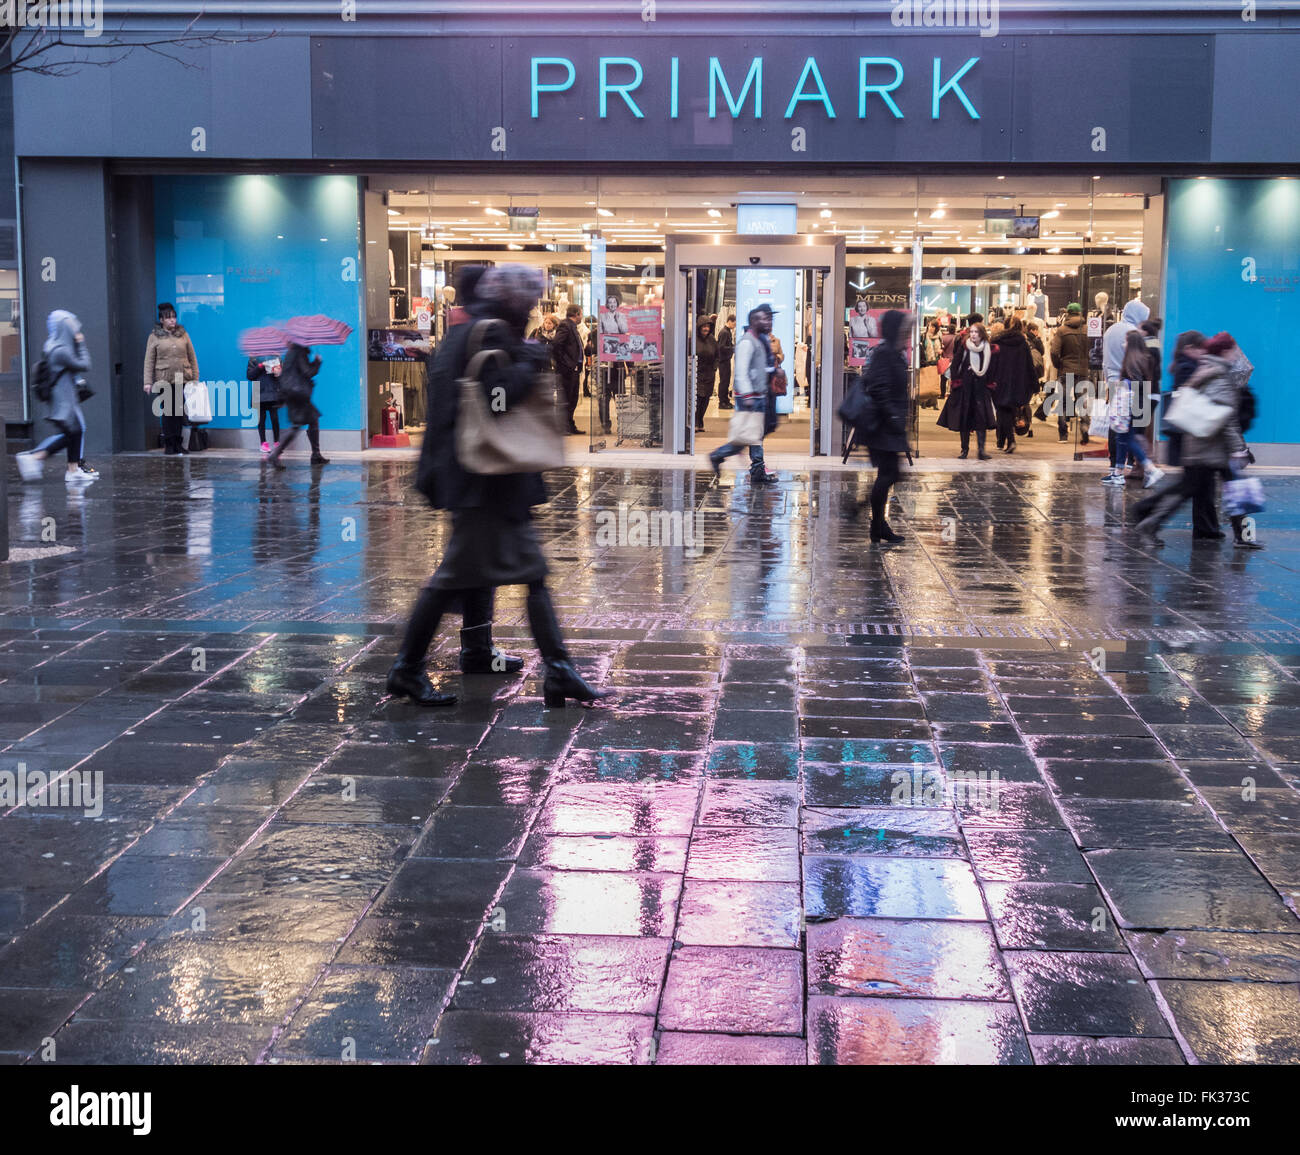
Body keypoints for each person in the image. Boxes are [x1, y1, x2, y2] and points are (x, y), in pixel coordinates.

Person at [388, 263, 611, 709]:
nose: (533, 307)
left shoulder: (470, 330)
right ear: (515, 300)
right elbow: (498, 399)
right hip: (484, 484)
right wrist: (530, 359)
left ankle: (548, 667)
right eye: (529, 298)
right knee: (465, 578)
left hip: (483, 482)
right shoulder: (491, 334)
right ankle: (408, 669)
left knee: (516, 575)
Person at [1132, 333, 1245, 548]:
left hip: (1203, 444)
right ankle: (1150, 520)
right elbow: (1226, 417)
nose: (1235, 355)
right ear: (1224, 351)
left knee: (1194, 489)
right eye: (1232, 350)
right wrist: (1239, 448)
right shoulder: (1219, 375)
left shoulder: (1206, 370)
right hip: (1209, 446)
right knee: (1191, 490)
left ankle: (1240, 534)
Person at [15, 310, 98, 485]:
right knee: (72, 433)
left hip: (62, 397)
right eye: (70, 326)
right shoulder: (61, 351)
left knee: (74, 431)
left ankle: (72, 470)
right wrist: (81, 344)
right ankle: (36, 457)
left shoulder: (52, 345)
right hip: (64, 399)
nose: (74, 329)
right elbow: (85, 364)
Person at [708, 303, 779, 484]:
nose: (768, 322)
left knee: (753, 436)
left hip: (757, 395)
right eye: (765, 318)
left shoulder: (758, 340)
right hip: (751, 397)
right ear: (754, 321)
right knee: (749, 437)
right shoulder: (747, 342)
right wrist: (747, 396)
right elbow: (741, 371)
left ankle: (756, 470)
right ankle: (720, 456)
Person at [858, 309, 912, 544]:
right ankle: (870, 518)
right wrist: (893, 417)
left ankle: (878, 525)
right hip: (882, 426)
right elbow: (878, 388)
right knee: (890, 474)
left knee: (890, 474)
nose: (907, 335)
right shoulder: (884, 354)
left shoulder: (894, 353)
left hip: (888, 424)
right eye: (904, 330)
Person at [1101, 331, 1164, 488]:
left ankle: (1150, 468)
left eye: (1126, 341)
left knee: (1127, 438)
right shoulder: (1143, 359)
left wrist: (1123, 384)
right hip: (1139, 403)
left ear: (1132, 343)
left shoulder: (1132, 361)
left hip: (1131, 403)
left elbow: (1135, 383)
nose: (1124, 344)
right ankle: (1118, 473)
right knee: (1124, 438)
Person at [144, 302, 200, 455]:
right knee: (168, 411)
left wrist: (195, 377)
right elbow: (149, 360)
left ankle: (178, 443)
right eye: (168, 318)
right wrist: (148, 382)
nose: (172, 321)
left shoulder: (183, 334)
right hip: (164, 378)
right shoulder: (154, 336)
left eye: (174, 317)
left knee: (179, 411)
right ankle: (169, 444)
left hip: (182, 377)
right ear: (161, 320)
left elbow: (192, 356)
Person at [936, 321, 996, 460]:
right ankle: (965, 449)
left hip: (981, 389)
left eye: (977, 332)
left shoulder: (987, 348)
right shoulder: (964, 347)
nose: (974, 335)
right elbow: (956, 364)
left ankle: (981, 450)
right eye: (972, 332)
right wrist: (957, 381)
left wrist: (990, 383)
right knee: (965, 419)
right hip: (965, 388)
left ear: (982, 334)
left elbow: (992, 367)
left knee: (981, 419)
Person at [265, 343, 329, 469]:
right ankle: (275, 455)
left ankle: (316, 454)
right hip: (297, 393)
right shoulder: (299, 351)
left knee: (313, 419)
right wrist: (317, 361)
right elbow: (308, 372)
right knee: (296, 425)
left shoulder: (292, 352)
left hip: (293, 392)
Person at [991, 317, 1035, 454]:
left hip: (1000, 381)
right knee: (1009, 410)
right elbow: (1029, 364)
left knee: (1002, 410)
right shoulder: (1022, 343)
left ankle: (1009, 440)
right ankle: (1006, 440)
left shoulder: (997, 341)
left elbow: (992, 362)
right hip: (1017, 382)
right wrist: (1033, 383)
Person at [1050, 303, 1092, 443]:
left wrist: (1059, 365)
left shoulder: (1061, 330)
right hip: (1082, 370)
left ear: (1067, 313)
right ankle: (1085, 426)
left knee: (1062, 402)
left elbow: (1054, 352)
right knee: (1082, 401)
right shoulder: (1087, 329)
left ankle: (1063, 434)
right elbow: (1093, 350)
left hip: (1066, 370)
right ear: (1080, 313)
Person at [553, 304, 585, 436]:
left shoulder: (573, 327)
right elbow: (556, 344)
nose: (582, 316)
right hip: (567, 370)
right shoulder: (565, 325)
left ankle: (570, 425)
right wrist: (564, 363)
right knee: (565, 399)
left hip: (574, 369)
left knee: (573, 398)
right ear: (576, 314)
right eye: (581, 314)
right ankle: (562, 427)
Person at [247, 354, 283, 452]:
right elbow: (249, 376)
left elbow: (281, 376)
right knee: (261, 419)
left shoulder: (276, 357)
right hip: (258, 391)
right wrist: (260, 366)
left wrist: (278, 373)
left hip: (272, 391)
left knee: (274, 418)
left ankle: (277, 442)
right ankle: (263, 443)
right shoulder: (253, 358)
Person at [694, 315, 719, 432]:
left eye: (708, 326)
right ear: (699, 327)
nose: (706, 329)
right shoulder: (693, 340)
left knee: (706, 399)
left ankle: (700, 421)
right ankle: (695, 421)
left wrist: (715, 367)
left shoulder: (712, 340)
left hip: (709, 374)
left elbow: (717, 356)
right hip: (697, 373)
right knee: (697, 398)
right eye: (704, 326)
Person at [716, 314, 736, 410]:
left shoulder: (727, 332)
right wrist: (732, 348)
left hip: (725, 360)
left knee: (726, 381)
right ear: (730, 321)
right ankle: (722, 402)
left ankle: (725, 400)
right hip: (723, 361)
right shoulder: (724, 332)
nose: (734, 326)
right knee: (724, 381)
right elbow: (721, 347)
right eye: (734, 324)